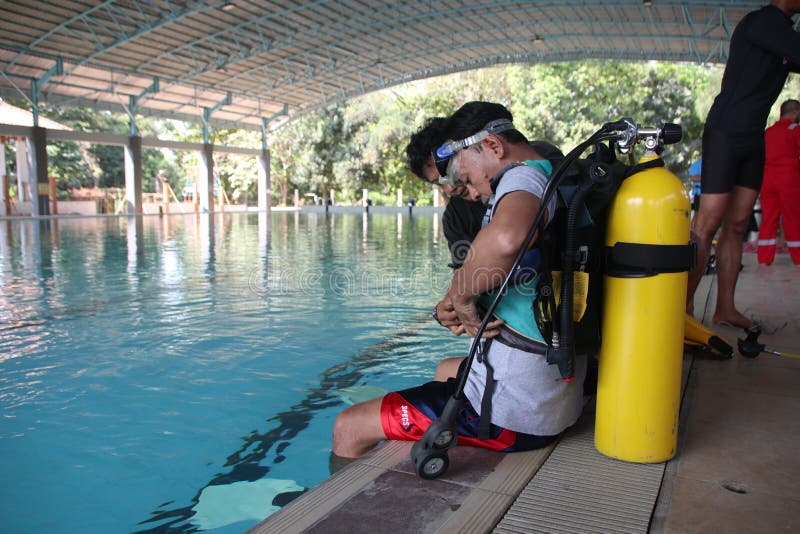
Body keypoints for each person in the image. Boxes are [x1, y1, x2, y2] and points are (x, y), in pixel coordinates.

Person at [332, 102, 585, 459]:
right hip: (544, 393)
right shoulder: (551, 175)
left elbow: (505, 239)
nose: (460, 188)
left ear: (494, 147)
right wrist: (460, 299)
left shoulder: (521, 177)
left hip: (511, 414)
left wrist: (461, 294)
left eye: (462, 176)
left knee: (349, 424)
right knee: (444, 371)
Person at [686, 0, 800, 329]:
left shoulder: (782, 34)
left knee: (737, 226)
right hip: (725, 131)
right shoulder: (762, 23)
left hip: (754, 136)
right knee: (706, 225)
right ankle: (684, 309)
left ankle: (725, 309)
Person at [758, 99, 800, 265]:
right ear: (795, 112)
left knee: (768, 218)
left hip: (767, 178)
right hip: (788, 178)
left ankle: (764, 258)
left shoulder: (768, 132)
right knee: (793, 217)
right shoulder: (795, 130)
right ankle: (798, 257)